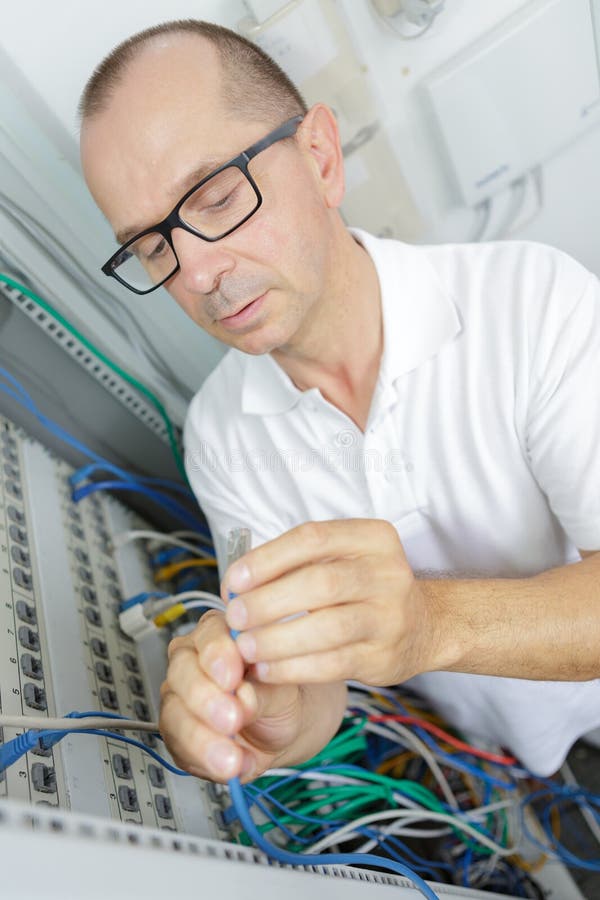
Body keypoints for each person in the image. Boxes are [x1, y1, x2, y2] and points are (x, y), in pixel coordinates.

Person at [79, 19, 600, 786]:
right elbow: (310, 683)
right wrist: (267, 718)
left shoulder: (535, 303)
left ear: (321, 157)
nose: (195, 274)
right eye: (153, 248)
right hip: (512, 762)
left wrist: (432, 625)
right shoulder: (222, 436)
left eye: (216, 197)